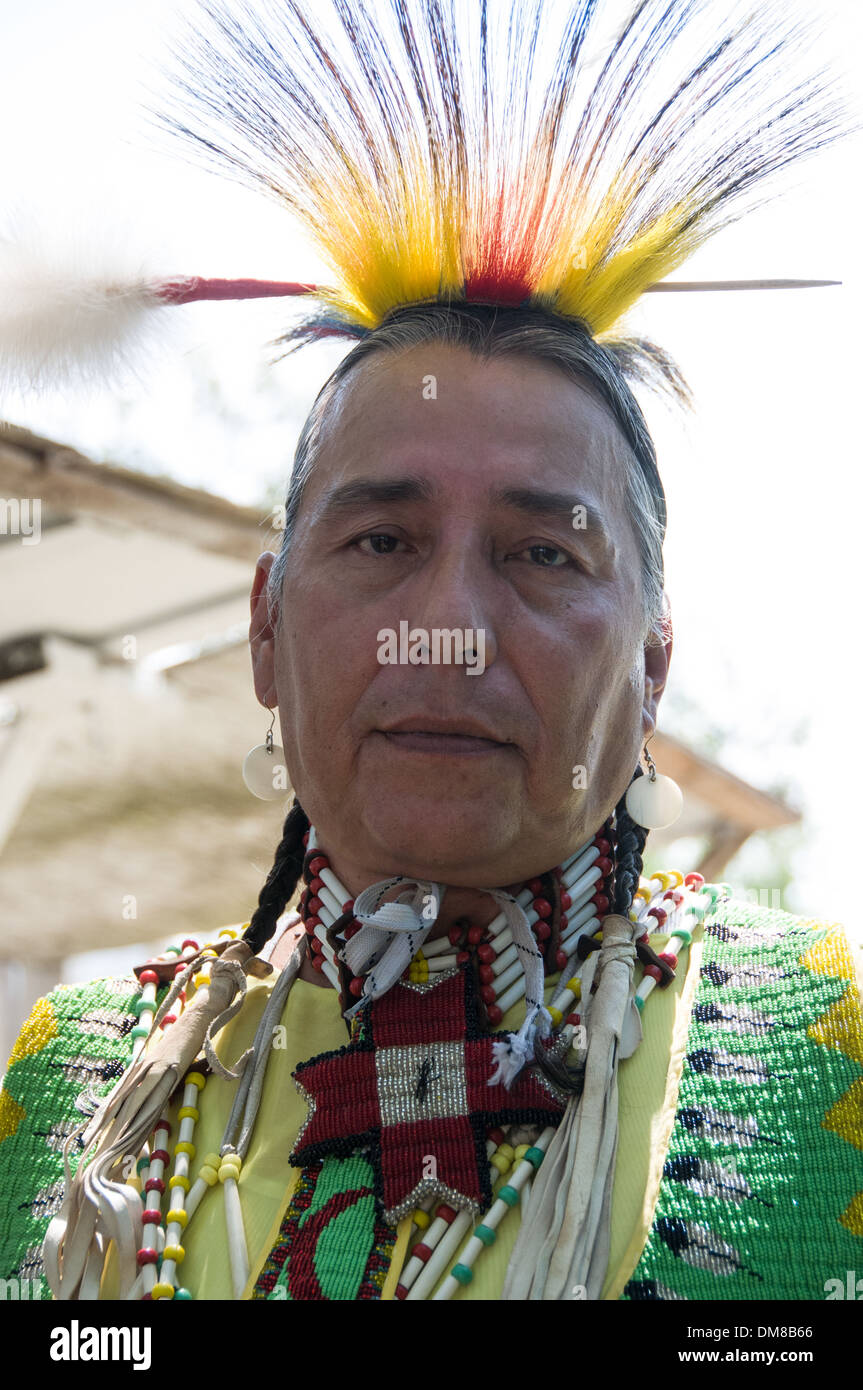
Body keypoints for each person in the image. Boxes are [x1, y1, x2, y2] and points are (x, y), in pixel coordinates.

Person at [1, 0, 861, 1302]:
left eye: (544, 553)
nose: (449, 625)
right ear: (265, 631)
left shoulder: (822, 1054)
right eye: (382, 539)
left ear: (652, 667)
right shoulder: (76, 1084)